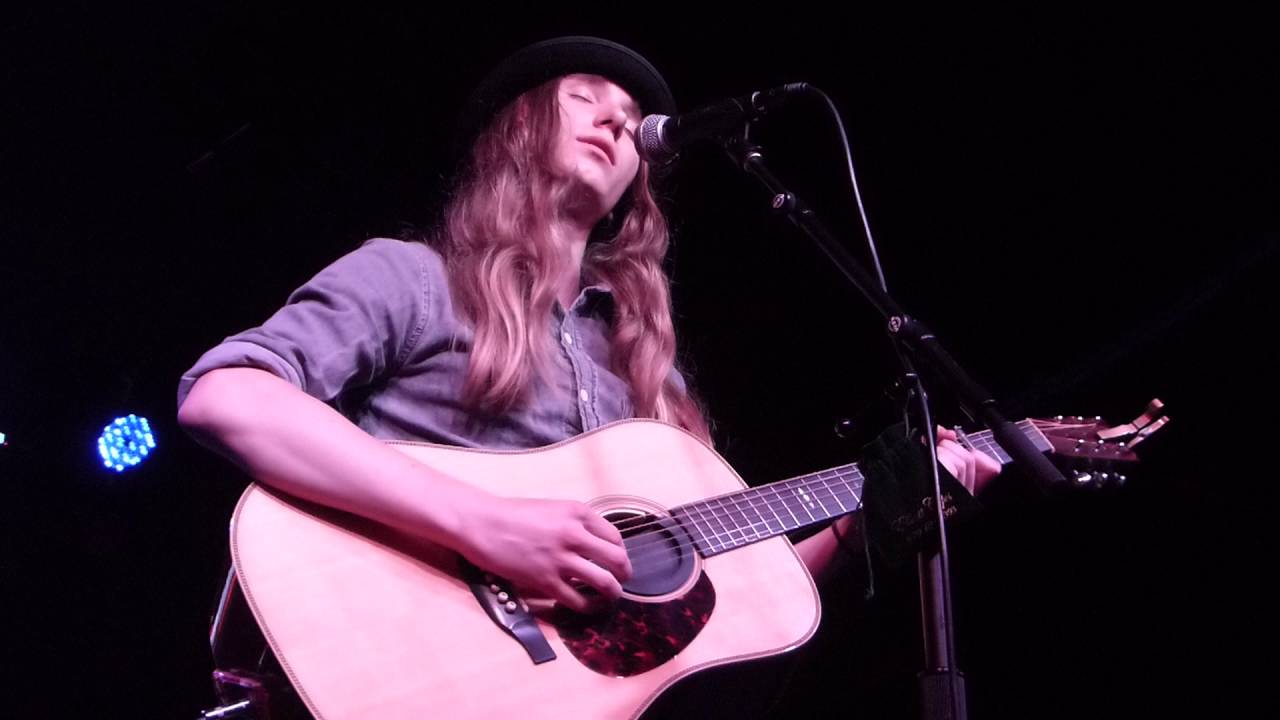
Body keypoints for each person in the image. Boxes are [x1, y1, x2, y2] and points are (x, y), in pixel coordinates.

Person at [178, 32, 998, 688]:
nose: (615, 119)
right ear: (518, 130)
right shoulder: (411, 277)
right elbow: (225, 397)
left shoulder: (646, 371)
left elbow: (729, 608)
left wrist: (866, 527)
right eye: (583, 99)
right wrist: (487, 526)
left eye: (630, 116)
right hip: (396, 658)